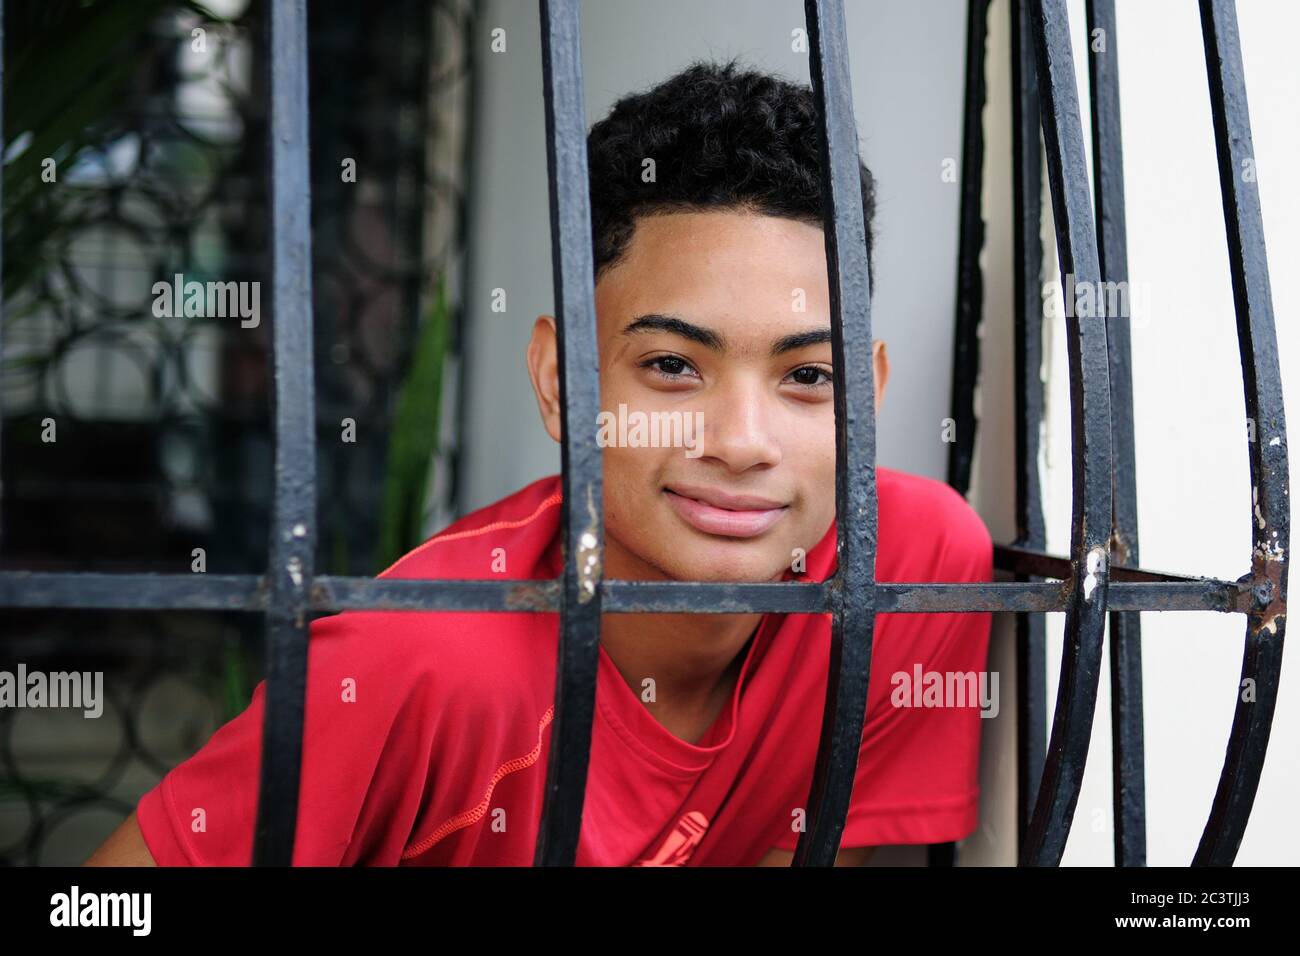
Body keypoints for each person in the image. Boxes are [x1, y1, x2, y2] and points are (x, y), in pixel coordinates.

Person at [86, 57, 993, 867]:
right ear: (562, 381)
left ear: (866, 395)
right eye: (672, 366)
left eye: (808, 376)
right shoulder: (418, 658)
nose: (743, 441)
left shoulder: (913, 569)